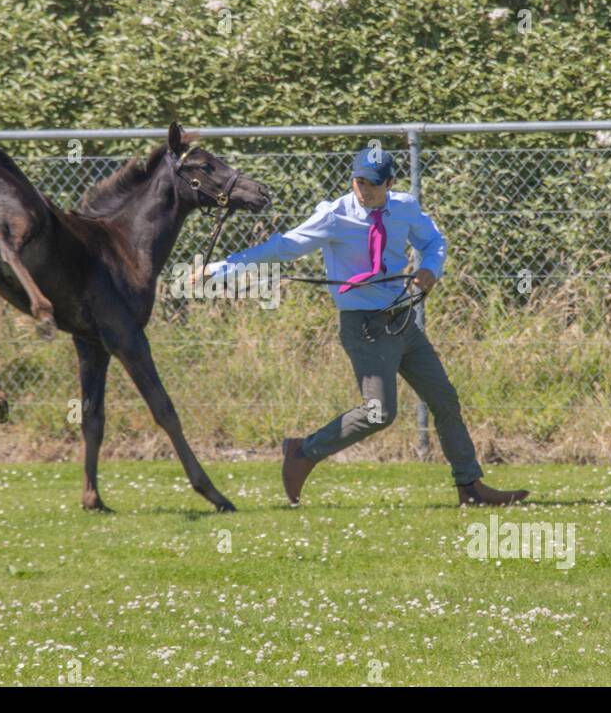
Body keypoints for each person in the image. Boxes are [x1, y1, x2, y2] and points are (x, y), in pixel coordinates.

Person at [206, 146, 528, 507]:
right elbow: (285, 247)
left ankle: (470, 487)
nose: (364, 190)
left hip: (402, 320)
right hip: (364, 327)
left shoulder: (404, 207)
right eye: (358, 181)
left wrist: (430, 269)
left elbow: (434, 240)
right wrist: (220, 268)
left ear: (389, 182)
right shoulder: (334, 216)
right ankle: (303, 452)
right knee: (379, 413)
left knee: (444, 399)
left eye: (373, 184)